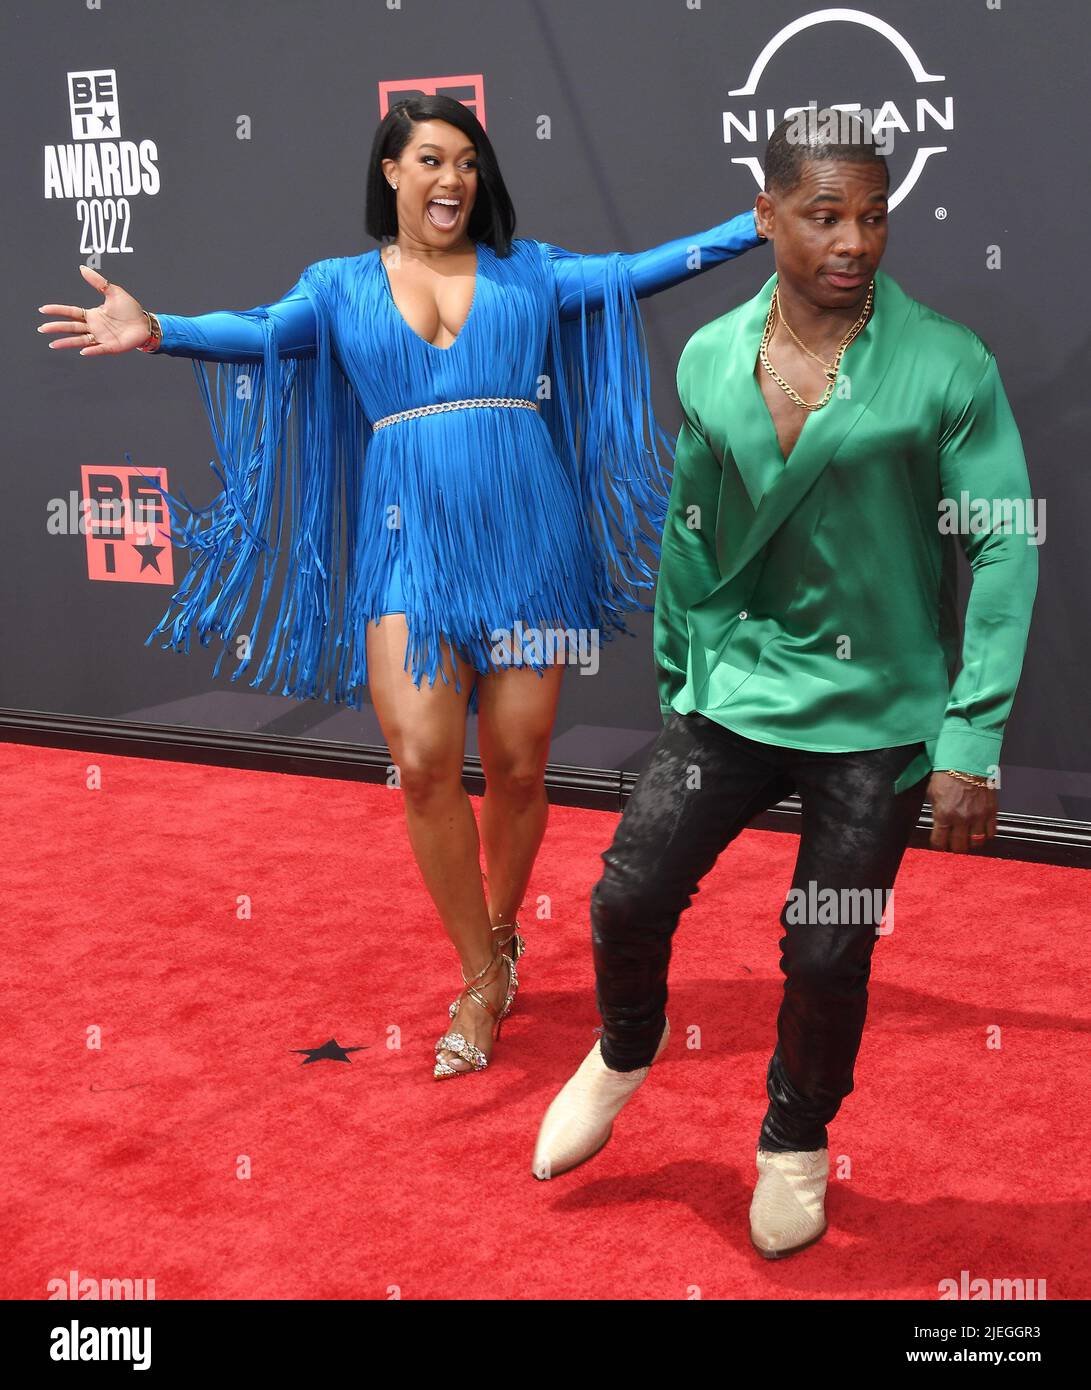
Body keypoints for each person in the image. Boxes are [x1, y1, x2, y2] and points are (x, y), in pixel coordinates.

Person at [37, 94, 766, 1080]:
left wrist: (746, 227)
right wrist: (156, 327)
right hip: (404, 543)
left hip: (524, 539)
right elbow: (255, 330)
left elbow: (637, 274)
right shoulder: (337, 286)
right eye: (430, 159)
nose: (452, 180)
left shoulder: (531, 270)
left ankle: (501, 941)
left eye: (467, 162)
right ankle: (476, 973)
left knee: (515, 765)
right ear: (391, 171)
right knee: (423, 761)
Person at [532, 109, 1038, 1259]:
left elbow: (1004, 541)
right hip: (736, 693)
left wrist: (970, 737)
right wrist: (680, 671)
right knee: (621, 897)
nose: (852, 239)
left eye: (871, 214)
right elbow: (691, 528)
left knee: (823, 948)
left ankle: (793, 1142)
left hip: (882, 719)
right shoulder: (711, 353)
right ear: (764, 218)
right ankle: (622, 1048)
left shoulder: (944, 360)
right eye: (822, 215)